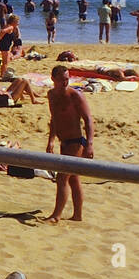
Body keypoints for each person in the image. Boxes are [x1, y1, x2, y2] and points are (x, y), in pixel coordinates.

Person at [45, 65, 93, 224]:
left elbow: (88, 120)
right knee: (73, 179)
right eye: (61, 80)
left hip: (76, 142)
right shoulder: (51, 95)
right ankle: (77, 215)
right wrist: (51, 140)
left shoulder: (75, 96)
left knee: (62, 177)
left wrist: (89, 144)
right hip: (63, 142)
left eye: (67, 79)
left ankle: (56, 215)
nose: (65, 82)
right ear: (53, 79)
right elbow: (54, 119)